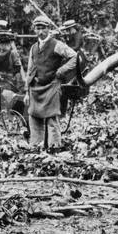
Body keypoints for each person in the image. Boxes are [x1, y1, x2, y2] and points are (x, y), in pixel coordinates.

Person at [26, 14, 78, 151]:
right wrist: (27, 91)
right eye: (37, 28)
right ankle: (36, 147)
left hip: (52, 86)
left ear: (48, 28)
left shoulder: (57, 45)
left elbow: (75, 57)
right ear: (34, 29)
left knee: (51, 118)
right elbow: (30, 69)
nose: (40, 32)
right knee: (34, 116)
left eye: (43, 28)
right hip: (36, 87)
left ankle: (54, 147)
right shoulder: (34, 48)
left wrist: (61, 71)